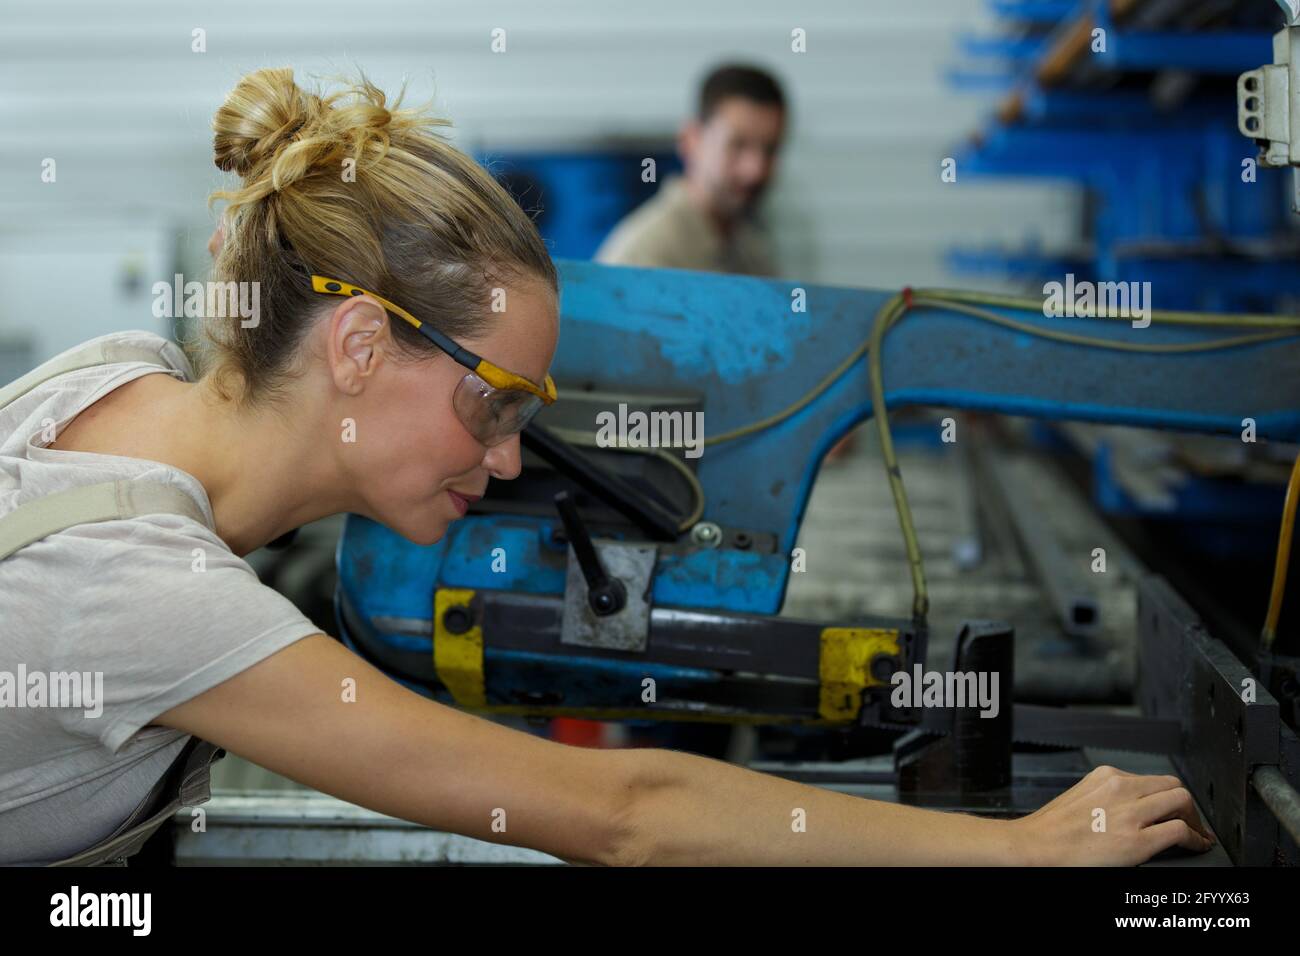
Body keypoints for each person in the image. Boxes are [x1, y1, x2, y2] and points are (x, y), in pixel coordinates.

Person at [0, 67, 1213, 866]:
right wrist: (1017, 850)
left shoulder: (110, 378)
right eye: (492, 401)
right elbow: (622, 815)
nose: (513, 452)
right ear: (360, 344)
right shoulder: (157, 596)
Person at [595, 63, 784, 276]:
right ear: (691, 141)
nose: (755, 170)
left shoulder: (753, 253)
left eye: (770, 149)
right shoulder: (642, 258)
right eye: (737, 145)